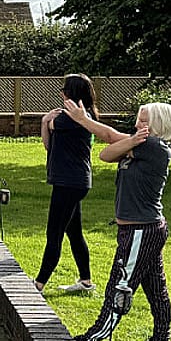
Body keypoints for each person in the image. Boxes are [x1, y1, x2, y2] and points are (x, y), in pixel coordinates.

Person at [62, 100, 171, 341]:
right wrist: (123, 139)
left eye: (144, 120)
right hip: (140, 230)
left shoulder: (154, 147)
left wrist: (84, 121)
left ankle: (91, 340)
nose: (138, 124)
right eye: (138, 119)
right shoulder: (139, 144)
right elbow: (108, 146)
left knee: (120, 285)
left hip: (142, 230)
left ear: (158, 124)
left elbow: (107, 145)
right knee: (156, 289)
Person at [34, 74, 107, 294]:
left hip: (69, 182)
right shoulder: (74, 116)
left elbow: (53, 125)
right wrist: (44, 122)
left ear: (71, 93)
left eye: (64, 89)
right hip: (71, 181)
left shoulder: (75, 117)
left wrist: (48, 120)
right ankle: (86, 282)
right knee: (73, 232)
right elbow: (48, 145)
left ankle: (38, 284)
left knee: (54, 232)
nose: (61, 92)